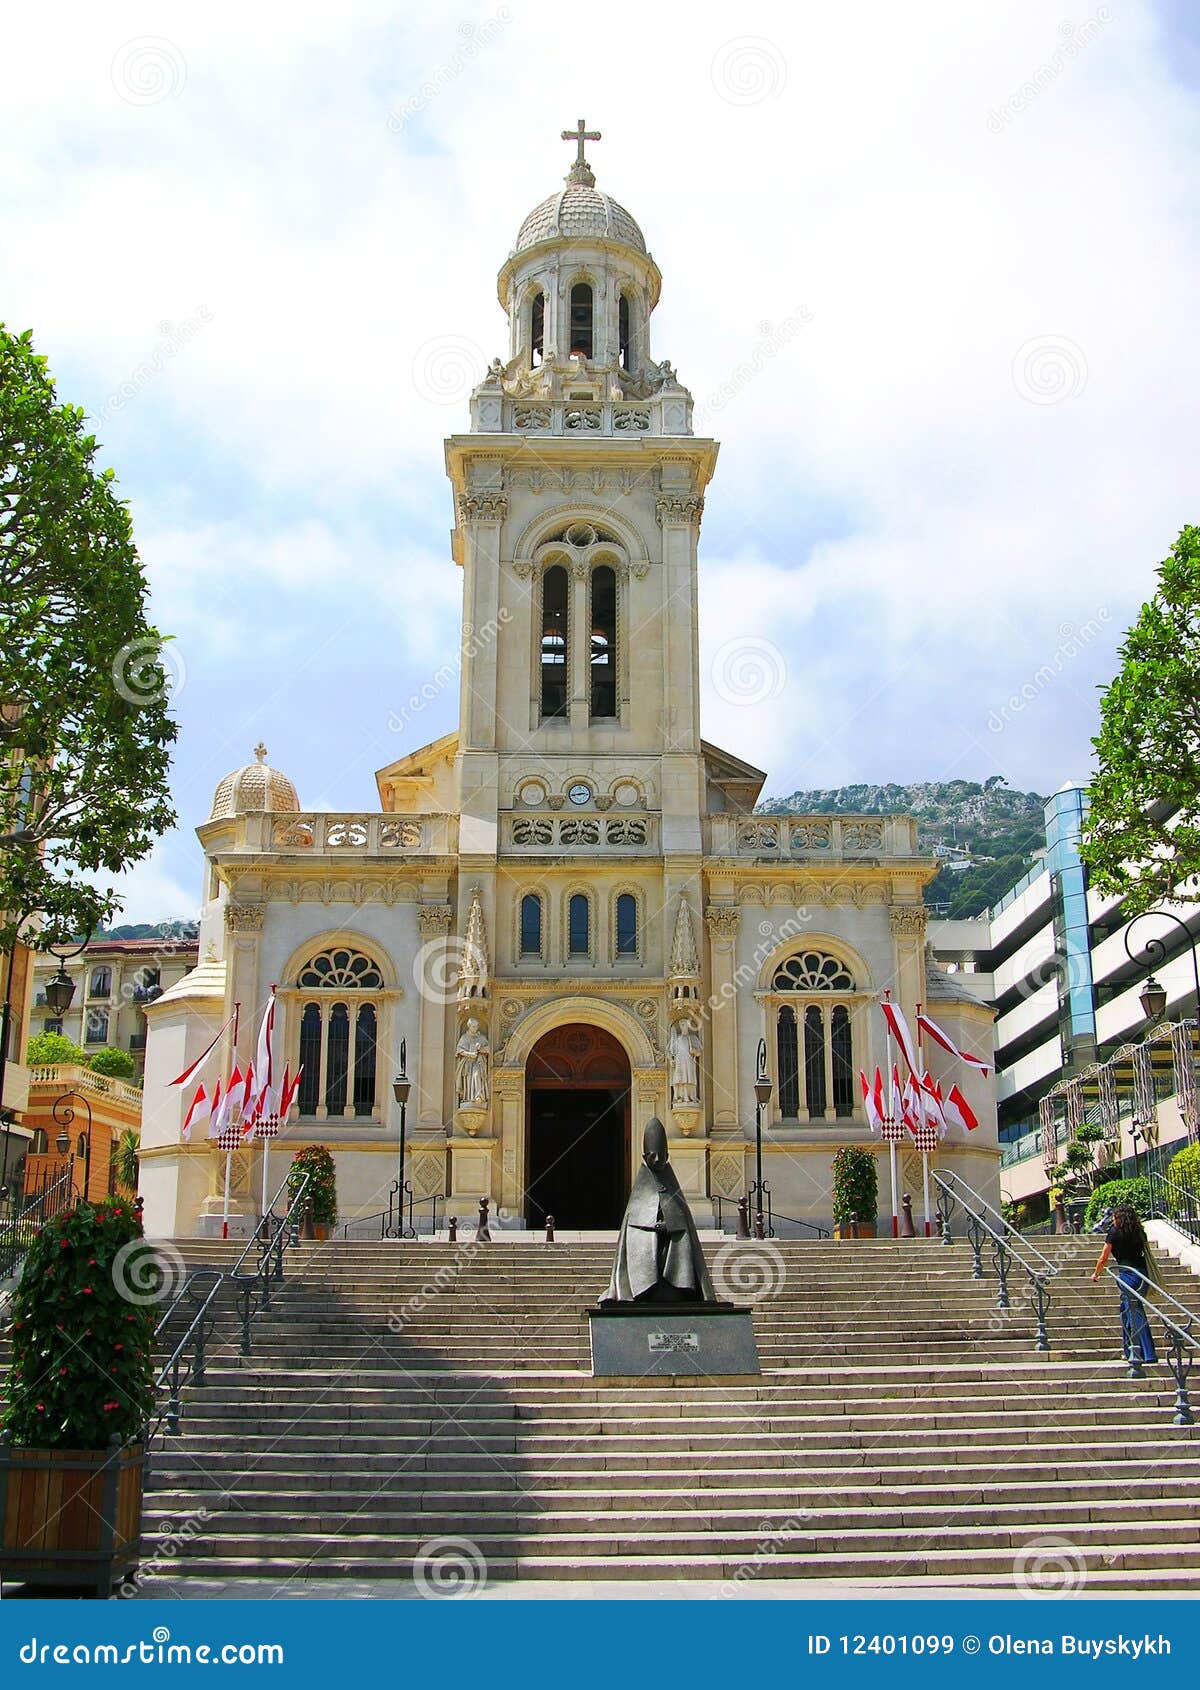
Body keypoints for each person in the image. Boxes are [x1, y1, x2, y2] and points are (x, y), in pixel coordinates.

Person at [1092, 1204, 1158, 1365]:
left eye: (1114, 1217)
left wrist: (1096, 1274)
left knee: (1134, 1311)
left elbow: (1103, 1257)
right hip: (1141, 1273)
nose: (1112, 1219)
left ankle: (1147, 1353)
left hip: (1127, 1274)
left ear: (1118, 1218)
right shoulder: (1139, 1231)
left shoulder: (1114, 1233)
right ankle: (1129, 1350)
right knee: (1126, 1310)